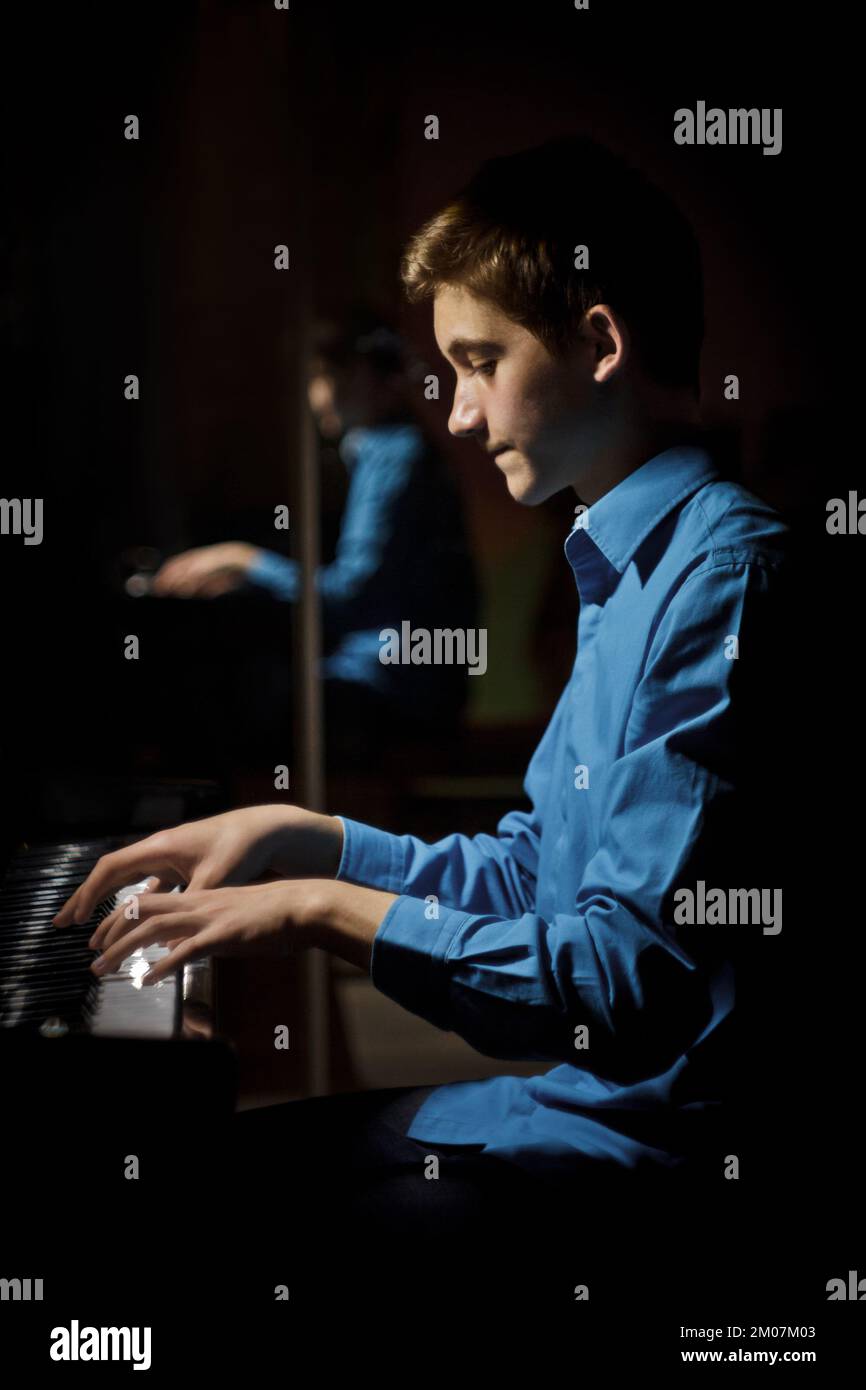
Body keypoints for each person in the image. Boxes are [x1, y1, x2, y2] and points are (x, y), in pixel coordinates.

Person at [53, 136, 793, 1295]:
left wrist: (318, 907)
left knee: (188, 1222)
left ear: (600, 343)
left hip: (651, 1151)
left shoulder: (725, 574)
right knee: (191, 1161)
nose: (453, 414)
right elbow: (542, 876)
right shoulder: (627, 564)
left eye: (478, 361)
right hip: (567, 1108)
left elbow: (618, 987)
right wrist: (310, 839)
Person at [149, 309, 480, 764]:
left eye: (330, 374)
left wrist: (242, 561)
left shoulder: (392, 453)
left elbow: (349, 595)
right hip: (420, 684)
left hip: (394, 689)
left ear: (375, 375)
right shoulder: (395, 450)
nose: (320, 395)